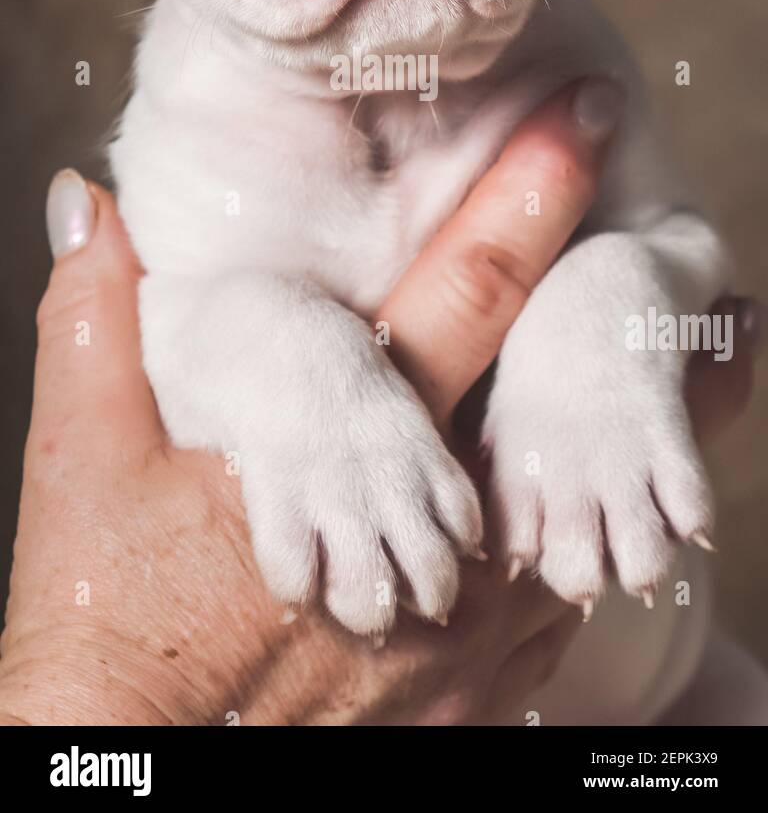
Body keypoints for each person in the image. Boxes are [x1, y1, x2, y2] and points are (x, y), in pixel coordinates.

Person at [0, 81, 757, 726]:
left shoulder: (569, 64)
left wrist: (607, 314)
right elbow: (172, 334)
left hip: (664, 706)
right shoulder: (190, 119)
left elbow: (677, 242)